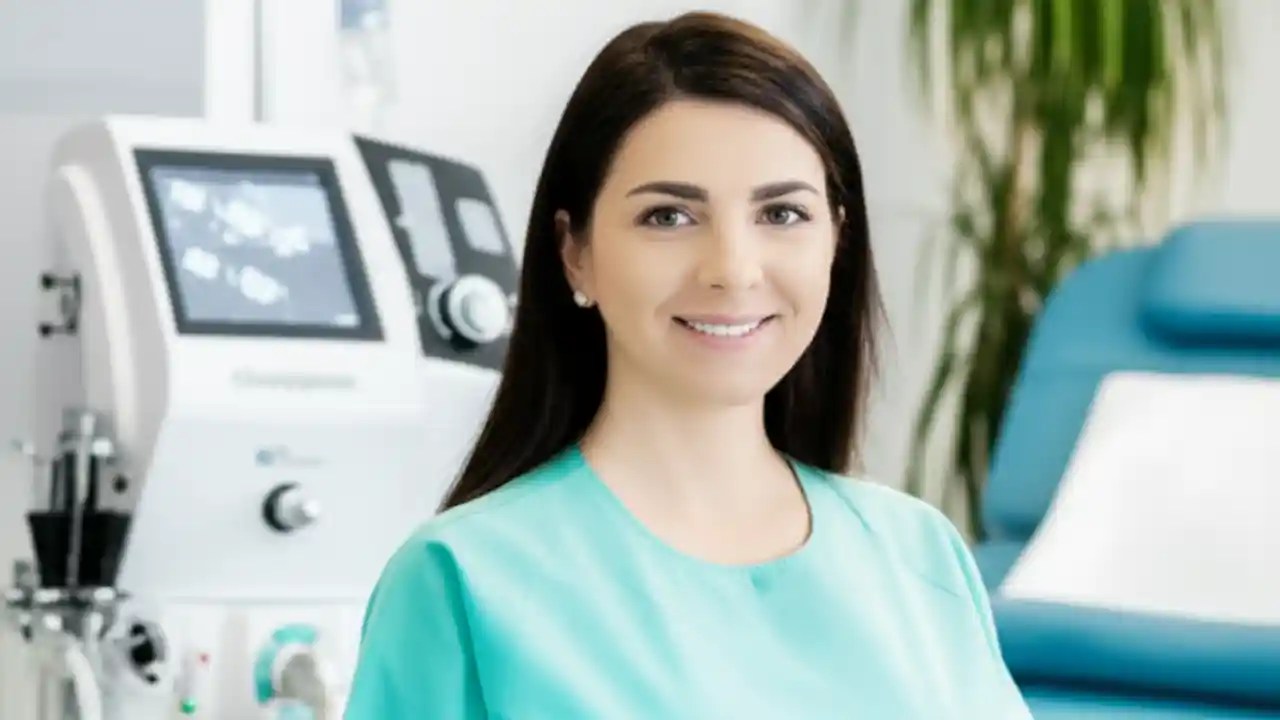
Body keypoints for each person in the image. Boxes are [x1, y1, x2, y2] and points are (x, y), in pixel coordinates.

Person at [344, 11, 1031, 719]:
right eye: (669, 216)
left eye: (783, 215)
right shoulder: (461, 582)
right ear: (574, 250)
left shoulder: (919, 553)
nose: (732, 270)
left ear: (837, 240)